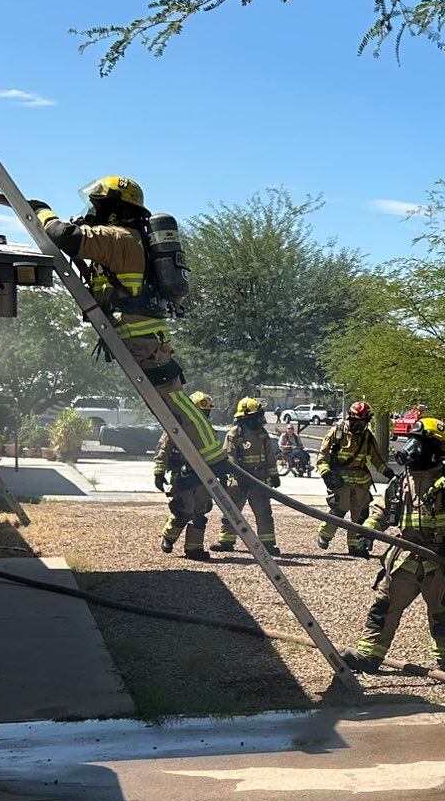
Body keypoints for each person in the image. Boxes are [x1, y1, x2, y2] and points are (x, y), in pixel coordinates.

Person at [32, 177, 223, 472]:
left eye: (97, 205)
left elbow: (64, 235)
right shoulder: (133, 239)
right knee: (173, 401)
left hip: (138, 337)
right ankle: (212, 457)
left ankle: (215, 459)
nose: (91, 211)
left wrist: (42, 211)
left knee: (176, 401)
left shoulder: (117, 236)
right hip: (145, 336)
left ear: (112, 208)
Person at [346, 422, 445, 673]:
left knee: (441, 611)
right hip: (405, 556)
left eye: (419, 443)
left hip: (439, 559)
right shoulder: (402, 480)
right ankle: (369, 656)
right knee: (384, 605)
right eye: (411, 441)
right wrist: (368, 533)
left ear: (434, 449)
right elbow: (382, 511)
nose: (411, 448)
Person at [152, 391, 218, 558]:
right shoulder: (176, 430)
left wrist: (220, 473)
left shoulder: (209, 430)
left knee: (200, 513)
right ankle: (168, 537)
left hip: (202, 477)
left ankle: (194, 549)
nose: (203, 417)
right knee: (184, 511)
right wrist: (159, 473)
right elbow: (163, 451)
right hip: (181, 477)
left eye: (206, 413)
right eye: (200, 413)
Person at [316, 401, 385, 555]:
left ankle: (355, 546)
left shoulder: (367, 437)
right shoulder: (337, 433)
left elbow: (377, 460)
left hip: (361, 482)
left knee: (360, 514)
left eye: (364, 423)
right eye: (359, 422)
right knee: (340, 508)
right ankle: (325, 534)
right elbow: (322, 456)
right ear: (352, 418)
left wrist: (388, 473)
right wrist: (326, 472)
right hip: (341, 480)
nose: (361, 426)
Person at [214, 397, 280, 553]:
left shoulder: (262, 434)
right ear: (246, 417)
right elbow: (230, 458)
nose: (260, 419)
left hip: (260, 481)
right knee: (232, 511)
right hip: (240, 481)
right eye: (256, 416)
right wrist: (239, 477)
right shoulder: (235, 434)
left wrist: (274, 475)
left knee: (264, 513)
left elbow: (270, 457)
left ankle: (268, 544)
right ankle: (226, 542)